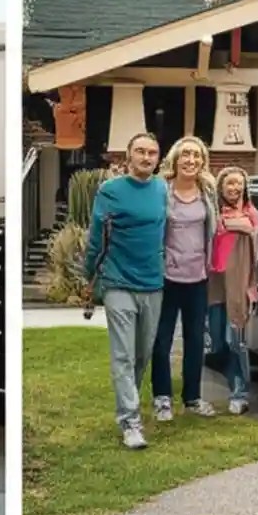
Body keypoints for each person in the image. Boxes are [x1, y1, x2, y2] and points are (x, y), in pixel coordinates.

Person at [84, 132, 166, 450]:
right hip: (117, 281)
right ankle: (130, 421)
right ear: (129, 156)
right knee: (123, 354)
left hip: (153, 283)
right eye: (141, 152)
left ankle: (129, 405)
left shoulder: (161, 189)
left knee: (142, 353)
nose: (146, 157)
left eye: (152, 153)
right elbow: (96, 237)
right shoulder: (110, 191)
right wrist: (89, 275)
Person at [150, 136, 218, 421]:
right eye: (185, 155)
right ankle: (162, 398)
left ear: (202, 162)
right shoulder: (161, 191)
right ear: (175, 160)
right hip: (166, 278)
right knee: (161, 340)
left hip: (197, 278)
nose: (191, 160)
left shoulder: (207, 193)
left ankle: (192, 397)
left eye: (196, 155)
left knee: (194, 340)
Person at [207, 165, 258, 415]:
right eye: (229, 183)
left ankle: (239, 393)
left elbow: (248, 226)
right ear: (221, 187)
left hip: (238, 286)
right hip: (214, 284)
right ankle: (229, 377)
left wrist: (226, 222)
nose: (235, 188)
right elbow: (216, 227)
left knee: (235, 341)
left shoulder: (251, 212)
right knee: (217, 343)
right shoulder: (213, 213)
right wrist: (224, 221)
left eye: (239, 183)